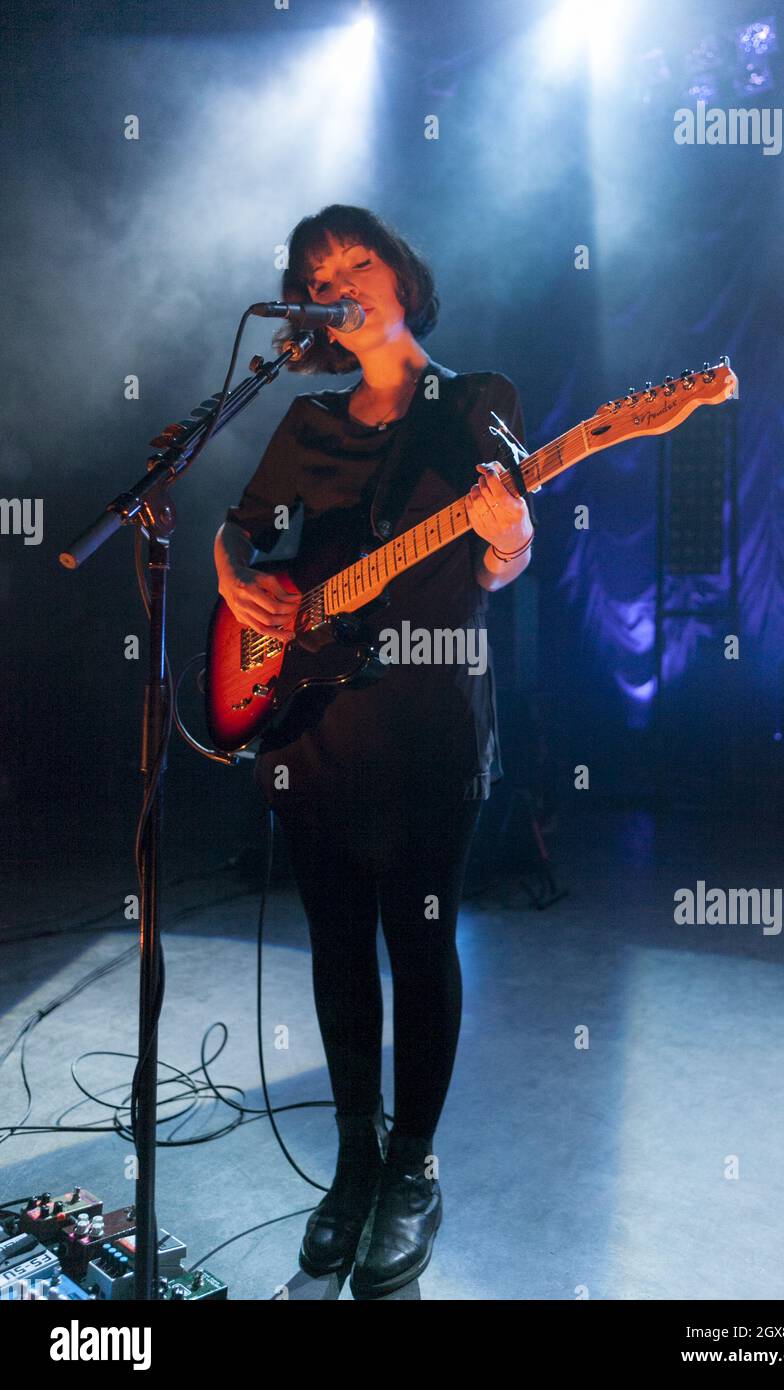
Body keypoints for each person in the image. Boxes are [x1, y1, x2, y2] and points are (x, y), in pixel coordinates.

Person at [214, 205, 534, 1299]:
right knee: (337, 944)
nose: (340, 279)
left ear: (403, 274)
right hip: (312, 723)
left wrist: (509, 537)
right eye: (318, 272)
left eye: (360, 261)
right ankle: (354, 1162)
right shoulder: (304, 420)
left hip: (430, 720)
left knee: (419, 942)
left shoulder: (474, 400)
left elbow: (503, 558)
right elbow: (239, 525)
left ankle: (412, 1169)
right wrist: (227, 575)